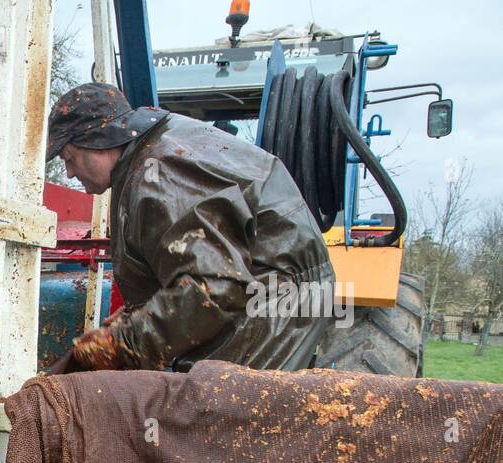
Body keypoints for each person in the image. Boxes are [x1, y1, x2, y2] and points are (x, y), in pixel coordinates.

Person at [45, 83, 335, 373]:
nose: (69, 172)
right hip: (264, 286)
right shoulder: (151, 153)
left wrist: (122, 342)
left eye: (70, 158)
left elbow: (213, 288)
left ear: (100, 139)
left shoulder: (159, 174)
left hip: (274, 297)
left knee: (223, 408)